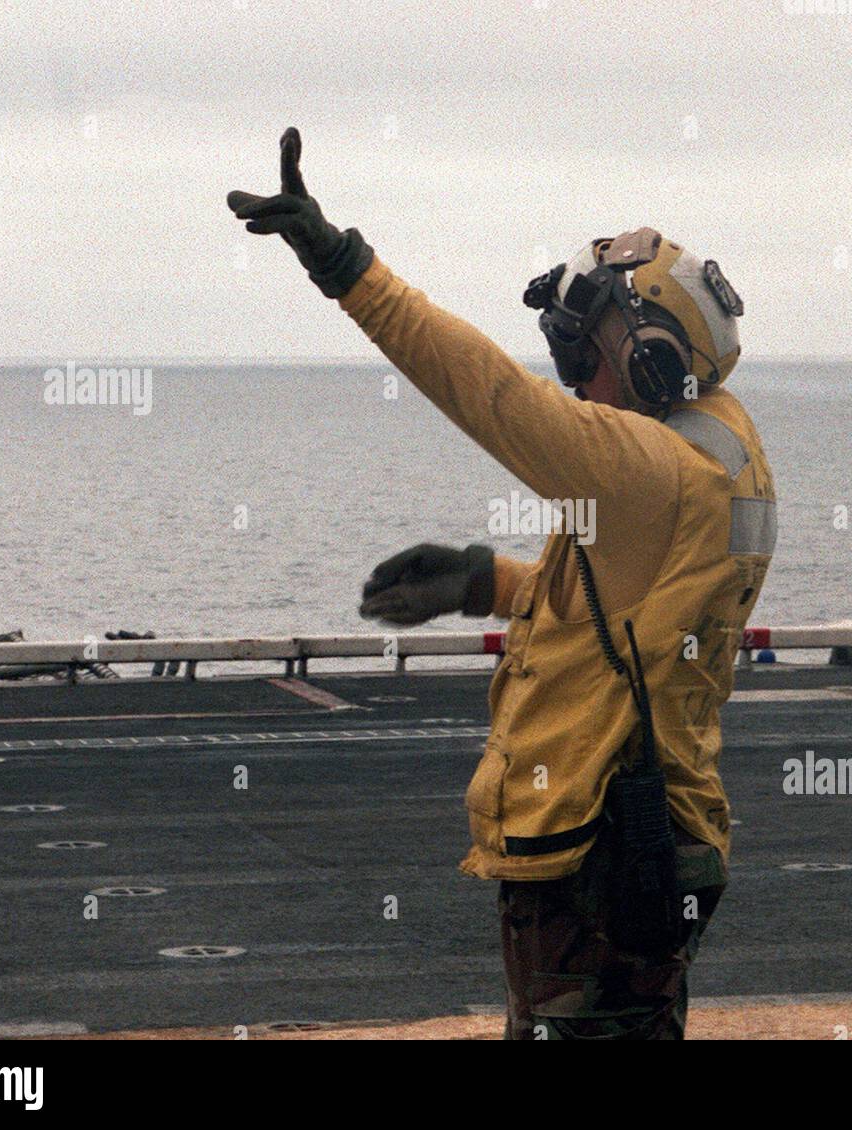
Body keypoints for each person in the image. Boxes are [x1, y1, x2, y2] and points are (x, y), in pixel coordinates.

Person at [228, 128, 776, 1039]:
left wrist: (344, 267)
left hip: (599, 838)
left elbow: (486, 392)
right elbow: (625, 610)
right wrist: (487, 582)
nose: (572, 374)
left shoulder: (647, 467)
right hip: (660, 825)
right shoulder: (718, 444)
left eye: (580, 348)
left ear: (649, 352)